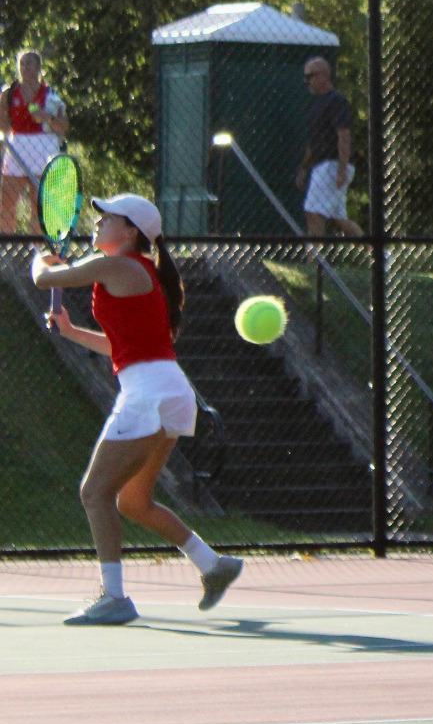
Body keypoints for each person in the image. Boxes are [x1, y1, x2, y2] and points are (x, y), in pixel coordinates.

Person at [32, 193, 242, 625]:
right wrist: (71, 332)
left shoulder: (116, 266)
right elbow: (123, 348)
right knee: (134, 501)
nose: (97, 222)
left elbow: (43, 279)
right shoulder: (135, 272)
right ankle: (213, 565)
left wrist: (41, 258)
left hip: (150, 394)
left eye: (107, 217)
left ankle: (114, 597)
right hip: (170, 391)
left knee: (94, 492)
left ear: (130, 232)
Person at [294, 56, 364, 238]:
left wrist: (341, 169)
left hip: (332, 165)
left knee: (313, 213)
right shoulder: (317, 104)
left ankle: (315, 255)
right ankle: (375, 251)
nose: (307, 81)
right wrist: (304, 168)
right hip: (322, 166)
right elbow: (313, 142)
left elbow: (344, 135)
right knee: (337, 220)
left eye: (310, 76)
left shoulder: (336, 101)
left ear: (324, 75)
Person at [2, 49, 70, 234]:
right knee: (7, 200)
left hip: (44, 146)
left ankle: (37, 246)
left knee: (39, 201)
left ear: (39, 67)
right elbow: (3, 124)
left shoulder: (50, 94)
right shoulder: (9, 93)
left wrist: (47, 117)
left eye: (29, 63)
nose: (25, 68)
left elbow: (64, 126)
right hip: (17, 145)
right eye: (22, 63)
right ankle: (7, 244)